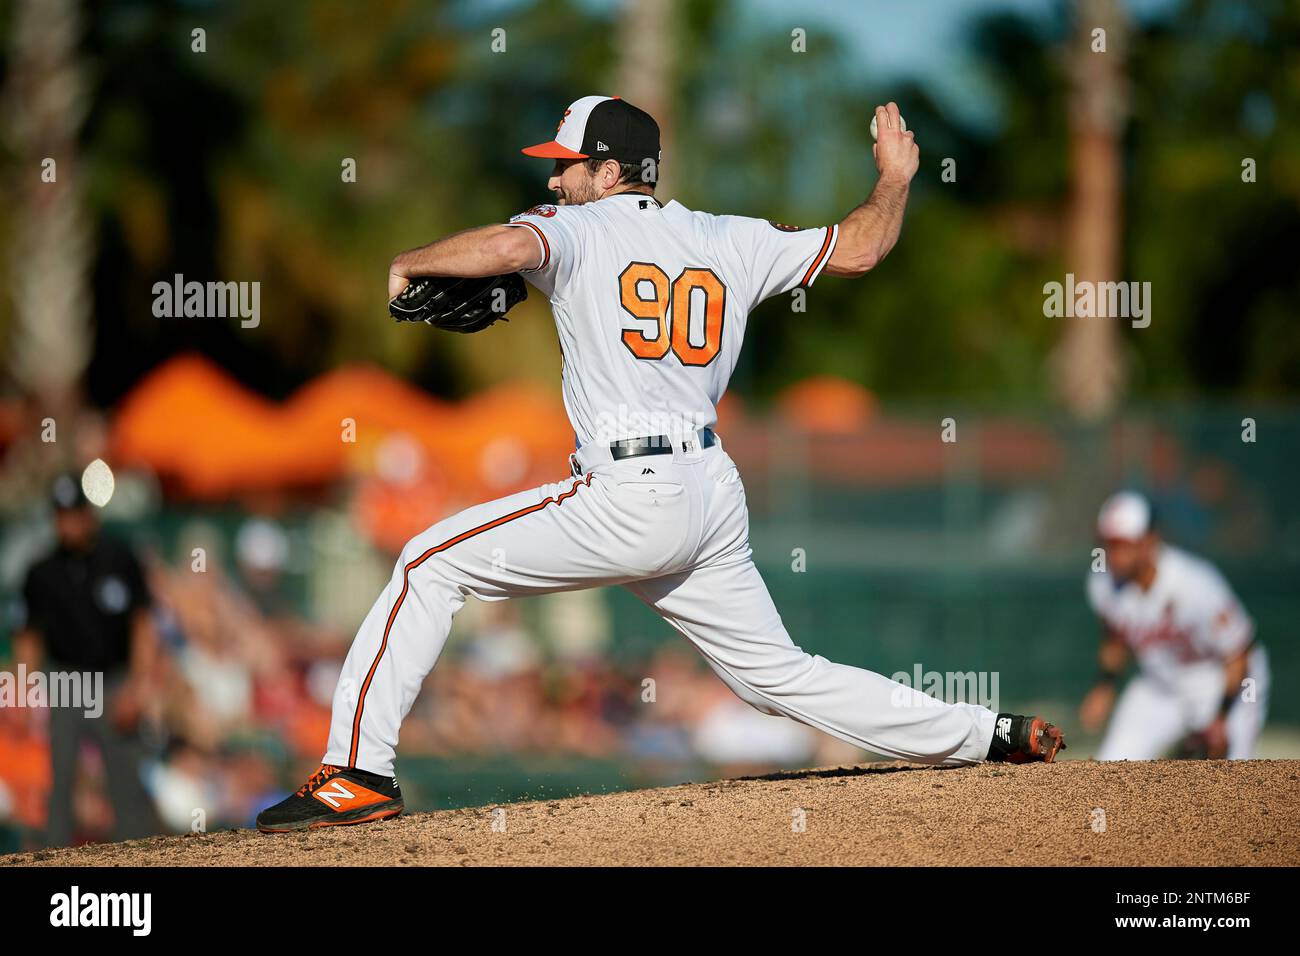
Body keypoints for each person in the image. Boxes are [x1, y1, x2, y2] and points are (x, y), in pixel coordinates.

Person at [258, 95, 1064, 832]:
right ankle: (983, 734)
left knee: (427, 561)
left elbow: (508, 244)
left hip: (626, 492)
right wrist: (892, 181)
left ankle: (357, 774)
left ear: (609, 171)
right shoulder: (729, 236)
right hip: (709, 493)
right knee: (776, 676)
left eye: (567, 164)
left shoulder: (573, 228)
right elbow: (858, 249)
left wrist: (411, 261)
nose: (556, 176)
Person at [13, 472, 163, 845]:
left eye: (76, 513)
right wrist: (25, 691)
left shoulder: (119, 559)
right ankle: (53, 859)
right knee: (58, 780)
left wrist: (139, 687)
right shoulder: (40, 573)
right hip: (64, 683)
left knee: (124, 783)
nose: (69, 523)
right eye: (61, 515)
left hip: (113, 681)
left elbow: (143, 625)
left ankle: (136, 860)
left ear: (89, 513)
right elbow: (28, 636)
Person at [1079, 490, 1270, 759]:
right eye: (1107, 543)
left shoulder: (1193, 582)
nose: (1112, 553)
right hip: (1159, 684)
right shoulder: (1102, 583)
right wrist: (1104, 686)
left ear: (1149, 540)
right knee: (1111, 765)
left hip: (1221, 679)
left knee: (1232, 782)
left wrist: (1221, 717)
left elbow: (1239, 652)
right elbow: (1115, 636)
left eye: (1122, 543)